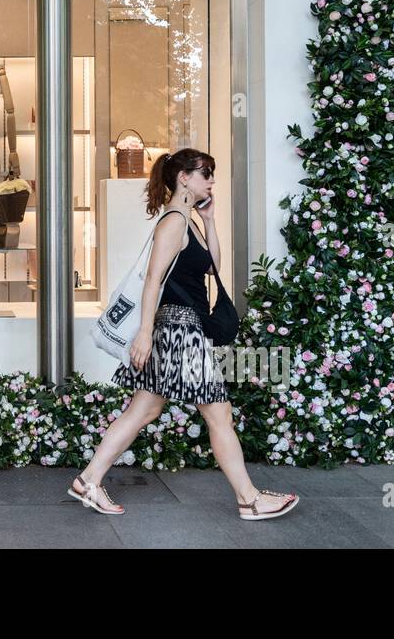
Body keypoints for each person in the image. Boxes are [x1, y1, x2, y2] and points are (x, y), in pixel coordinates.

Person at [68, 147, 299, 521]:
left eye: (212, 172)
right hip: (177, 331)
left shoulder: (188, 220)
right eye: (205, 172)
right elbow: (152, 280)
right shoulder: (173, 220)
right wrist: (144, 334)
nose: (211, 179)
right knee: (218, 412)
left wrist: (209, 220)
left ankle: (89, 480)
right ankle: (250, 500)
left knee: (144, 410)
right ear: (183, 178)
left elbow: (213, 268)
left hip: (181, 328)